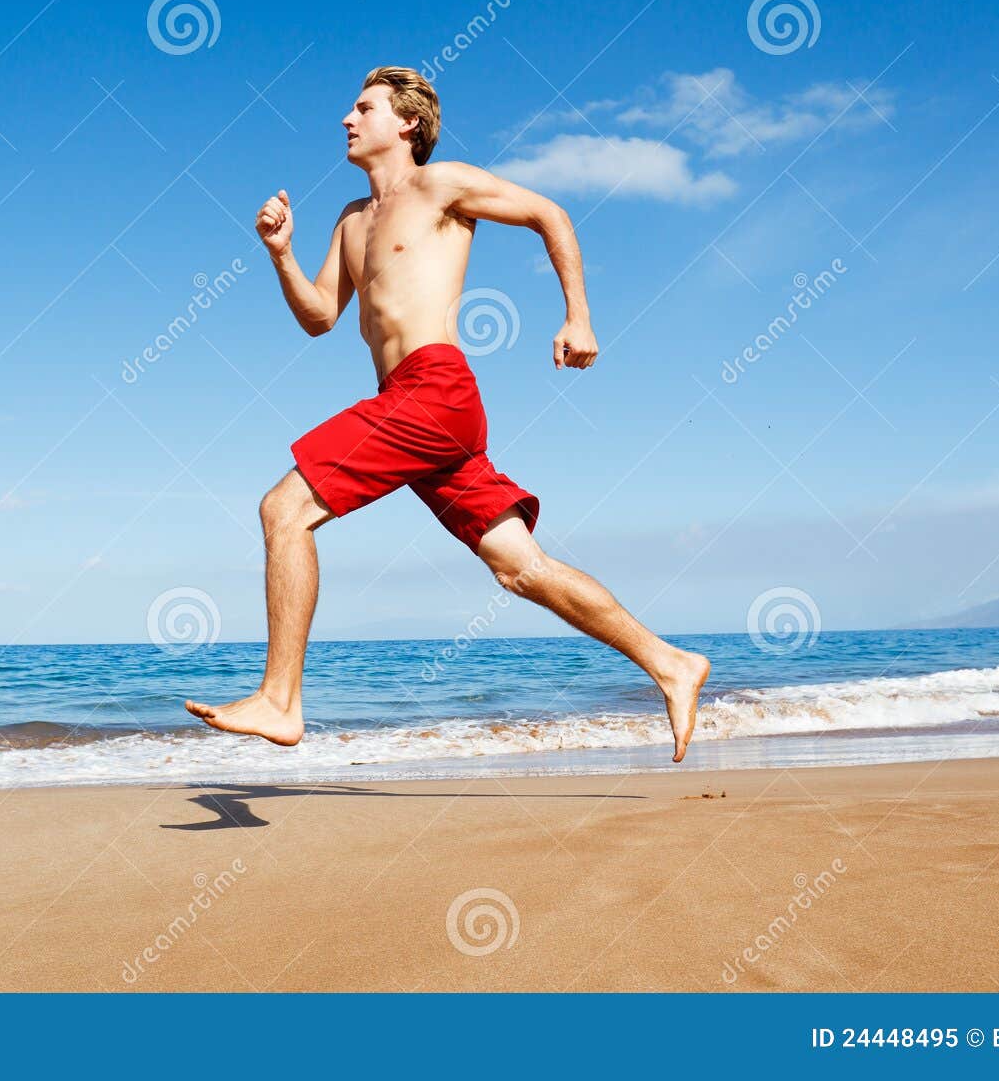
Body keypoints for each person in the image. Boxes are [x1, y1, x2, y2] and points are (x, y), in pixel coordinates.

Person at [185, 67, 710, 761]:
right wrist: (280, 255)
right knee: (520, 568)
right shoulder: (351, 221)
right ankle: (671, 662)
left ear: (406, 123)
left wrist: (578, 315)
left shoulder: (442, 185)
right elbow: (319, 317)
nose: (346, 118)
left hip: (433, 389)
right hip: (408, 406)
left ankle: (281, 700)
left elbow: (549, 213)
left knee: (284, 509)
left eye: (362, 107)